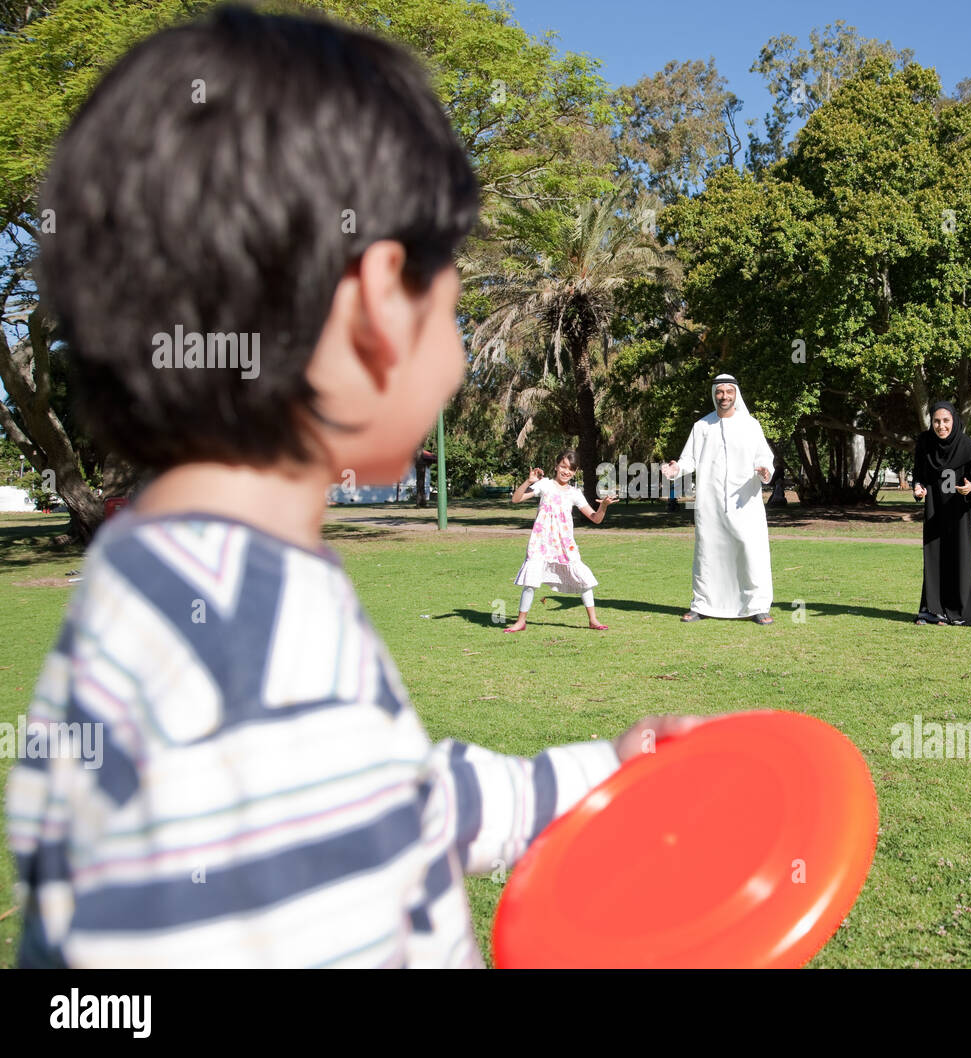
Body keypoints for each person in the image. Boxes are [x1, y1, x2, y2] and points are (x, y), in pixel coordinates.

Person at [5, 5, 696, 969]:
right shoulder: (237, 656)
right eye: (453, 298)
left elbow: (392, 802)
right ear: (379, 307)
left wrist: (598, 774)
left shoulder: (197, 581)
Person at [663, 374, 776, 625]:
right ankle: (702, 605)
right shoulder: (702, 426)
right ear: (714, 394)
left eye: (728, 391)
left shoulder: (751, 425)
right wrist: (675, 470)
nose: (724, 396)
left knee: (750, 550)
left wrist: (765, 471)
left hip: (745, 503)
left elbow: (764, 458)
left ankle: (757, 606)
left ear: (736, 393)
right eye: (719, 392)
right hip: (710, 502)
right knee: (708, 552)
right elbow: (688, 460)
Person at [504, 451, 616, 632]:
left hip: (564, 543)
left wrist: (603, 506)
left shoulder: (575, 493)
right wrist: (528, 481)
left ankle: (593, 620)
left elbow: (595, 519)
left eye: (571, 469)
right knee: (531, 581)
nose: (566, 471)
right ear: (556, 466)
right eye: (563, 466)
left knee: (583, 580)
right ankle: (520, 621)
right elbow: (516, 499)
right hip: (541, 542)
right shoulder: (545, 485)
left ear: (575, 471)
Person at [910, 401, 971, 626]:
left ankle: (959, 613)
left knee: (959, 559)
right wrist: (918, 487)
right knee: (934, 560)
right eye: (936, 421)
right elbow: (919, 474)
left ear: (954, 421)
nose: (941, 426)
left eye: (946, 421)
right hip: (935, 510)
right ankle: (932, 611)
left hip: (959, 512)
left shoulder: (966, 445)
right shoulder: (925, 442)